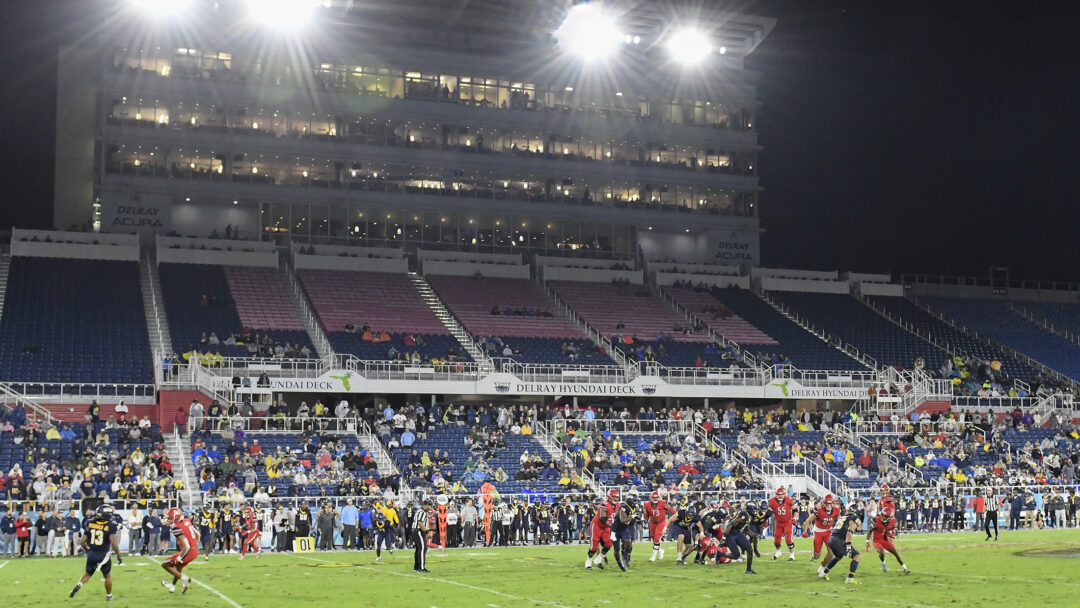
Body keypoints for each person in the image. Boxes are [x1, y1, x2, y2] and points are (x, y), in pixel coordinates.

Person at [69, 504, 122, 601]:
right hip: (103, 555)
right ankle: (109, 596)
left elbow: (82, 541)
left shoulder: (90, 523)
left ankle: (79, 584)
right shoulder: (110, 525)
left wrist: (87, 550)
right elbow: (113, 543)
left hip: (92, 554)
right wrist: (119, 555)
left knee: (87, 574)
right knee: (107, 576)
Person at [819, 505, 863, 584]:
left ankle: (824, 573)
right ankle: (850, 578)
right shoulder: (854, 518)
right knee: (857, 556)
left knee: (838, 556)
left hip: (831, 539)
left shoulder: (843, 517)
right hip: (839, 540)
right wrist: (848, 547)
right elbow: (849, 531)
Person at [161, 508, 199, 594]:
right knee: (178, 567)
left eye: (170, 518)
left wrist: (180, 557)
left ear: (175, 518)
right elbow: (198, 535)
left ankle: (185, 579)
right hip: (194, 551)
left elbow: (186, 546)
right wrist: (195, 546)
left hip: (188, 551)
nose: (168, 520)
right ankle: (172, 586)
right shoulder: (186, 521)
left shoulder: (176, 527)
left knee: (164, 564)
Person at [866, 504, 910, 574]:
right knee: (882, 552)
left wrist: (894, 536)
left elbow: (896, 532)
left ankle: (905, 568)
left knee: (896, 553)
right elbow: (870, 530)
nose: (884, 517)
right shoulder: (876, 520)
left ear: (890, 517)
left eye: (886, 516)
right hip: (876, 539)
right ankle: (883, 563)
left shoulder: (894, 521)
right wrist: (867, 541)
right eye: (883, 515)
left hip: (885, 539)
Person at [586, 489, 619, 570]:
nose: (616, 499)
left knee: (609, 544)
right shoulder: (604, 504)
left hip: (606, 527)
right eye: (614, 497)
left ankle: (599, 559)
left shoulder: (618, 505)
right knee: (594, 546)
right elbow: (602, 518)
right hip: (597, 525)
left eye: (617, 497)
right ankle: (588, 560)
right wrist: (612, 526)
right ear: (610, 497)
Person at [722, 504, 758, 575]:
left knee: (749, 549)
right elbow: (730, 524)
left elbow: (747, 529)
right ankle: (720, 554)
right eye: (753, 510)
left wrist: (754, 535)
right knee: (736, 555)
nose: (755, 511)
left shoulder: (747, 515)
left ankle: (749, 570)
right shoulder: (744, 514)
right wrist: (724, 537)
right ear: (749, 510)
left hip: (737, 533)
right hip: (731, 533)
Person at [804, 494, 841, 561]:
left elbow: (838, 516)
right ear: (824, 503)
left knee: (831, 551)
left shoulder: (836, 509)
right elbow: (808, 521)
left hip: (828, 531)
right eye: (827, 504)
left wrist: (839, 525)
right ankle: (813, 556)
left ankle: (823, 568)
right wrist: (805, 531)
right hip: (819, 532)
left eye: (830, 504)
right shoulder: (819, 510)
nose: (829, 506)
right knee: (817, 556)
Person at [643, 490, 674, 562]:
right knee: (654, 539)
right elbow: (647, 517)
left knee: (657, 538)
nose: (655, 499)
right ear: (651, 498)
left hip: (661, 522)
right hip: (652, 522)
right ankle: (660, 550)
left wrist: (675, 514)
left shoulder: (663, 503)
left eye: (656, 497)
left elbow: (672, 511)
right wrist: (644, 513)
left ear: (658, 498)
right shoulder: (647, 505)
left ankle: (653, 556)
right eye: (654, 498)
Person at [769, 487, 798, 561]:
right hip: (778, 523)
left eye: (781, 495)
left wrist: (795, 518)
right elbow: (768, 512)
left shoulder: (788, 500)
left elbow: (795, 510)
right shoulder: (772, 501)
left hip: (787, 522)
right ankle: (778, 552)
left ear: (784, 495)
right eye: (778, 495)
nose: (780, 496)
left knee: (788, 539)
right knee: (776, 541)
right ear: (776, 495)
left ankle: (792, 554)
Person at [611, 496, 638, 571]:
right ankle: (620, 564)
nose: (636, 503)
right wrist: (633, 516)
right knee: (616, 550)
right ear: (630, 502)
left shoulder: (634, 507)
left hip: (624, 529)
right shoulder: (623, 507)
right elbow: (623, 520)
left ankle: (625, 556)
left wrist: (637, 517)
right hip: (615, 530)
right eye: (634, 501)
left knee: (628, 542)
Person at [412, 499, 433, 573]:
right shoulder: (422, 512)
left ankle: (416, 567)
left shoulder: (420, 511)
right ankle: (421, 568)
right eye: (429, 506)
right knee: (422, 549)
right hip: (419, 531)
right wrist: (427, 532)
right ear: (425, 505)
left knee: (418, 549)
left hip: (417, 531)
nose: (430, 508)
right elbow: (420, 523)